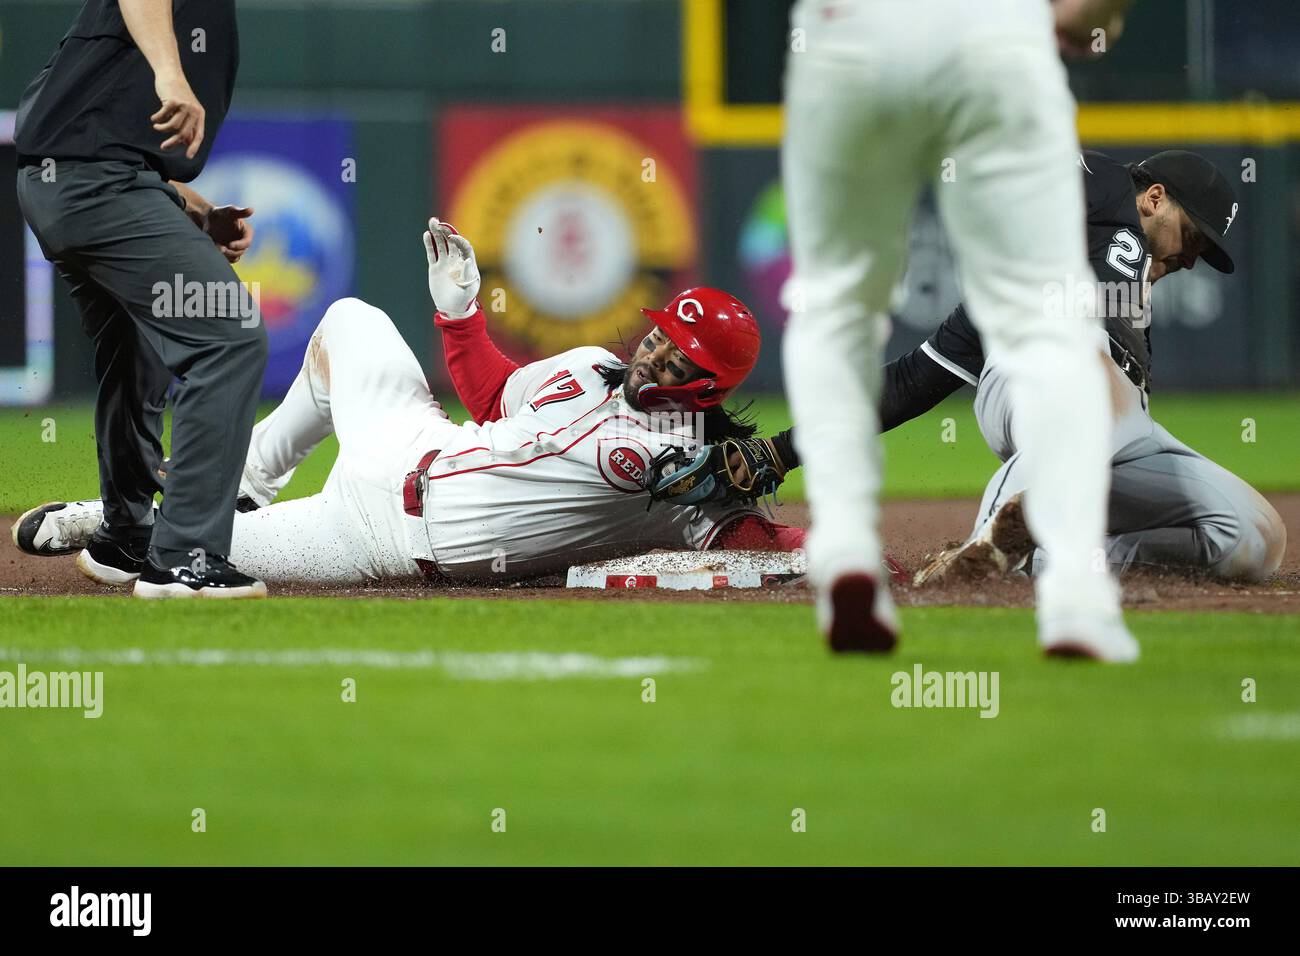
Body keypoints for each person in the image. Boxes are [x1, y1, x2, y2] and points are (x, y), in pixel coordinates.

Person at [13, 220, 803, 587]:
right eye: (661, 334)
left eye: (678, 354)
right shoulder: (595, 364)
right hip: (412, 442)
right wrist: (461, 316)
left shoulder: (693, 476)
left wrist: (872, 562)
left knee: (174, 558)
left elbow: (764, 541)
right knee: (351, 321)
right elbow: (493, 398)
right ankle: (244, 481)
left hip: (380, 537)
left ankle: (123, 518)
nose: (654, 350)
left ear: (710, 386)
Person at [779, 0, 1139, 660]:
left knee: (834, 308)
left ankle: (846, 549)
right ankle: (1074, 596)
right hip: (995, 36)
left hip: (849, 35)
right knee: (1047, 322)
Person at [745, 150, 1285, 586]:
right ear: (1155, 198)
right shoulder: (1108, 187)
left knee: (1256, 537)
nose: (1192, 259)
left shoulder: (1115, 295)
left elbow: (911, 383)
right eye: (1194, 237)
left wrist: (779, 452)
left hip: (1118, 425)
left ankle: (1049, 560)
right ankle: (982, 552)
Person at [14, 0, 266, 598]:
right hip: (96, 187)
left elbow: (87, 118)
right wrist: (171, 73)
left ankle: (127, 534)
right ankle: (186, 559)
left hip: (81, 180)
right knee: (229, 337)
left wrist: (192, 209)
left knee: (136, 352)